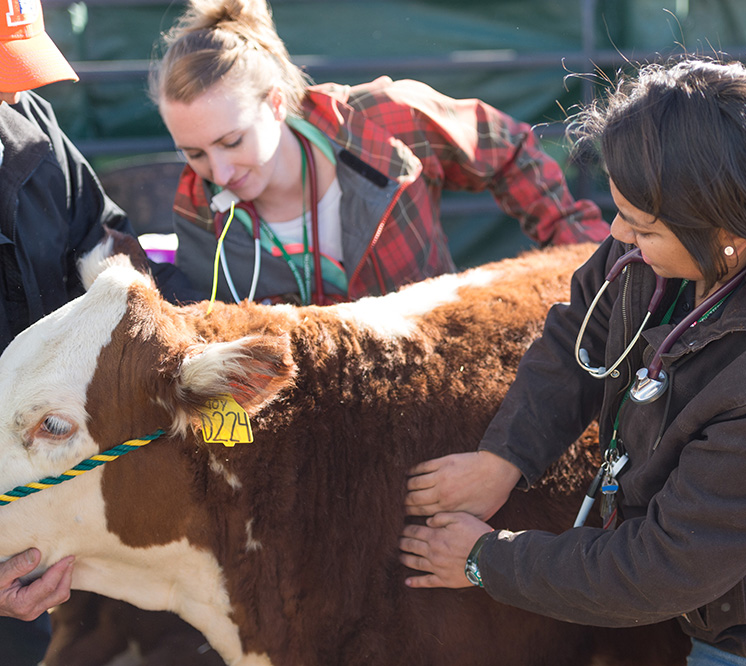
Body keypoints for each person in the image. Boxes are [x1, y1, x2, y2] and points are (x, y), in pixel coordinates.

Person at [399, 57, 746, 666]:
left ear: (724, 228)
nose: (620, 234)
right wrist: (506, 456)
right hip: (721, 588)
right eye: (622, 210)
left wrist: (483, 559)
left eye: (642, 226)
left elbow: (661, 568)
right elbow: (588, 324)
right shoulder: (689, 210)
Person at [149, 0, 609, 306]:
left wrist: (590, 265)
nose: (220, 171)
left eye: (232, 141)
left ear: (274, 103)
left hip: (437, 380)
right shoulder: (197, 208)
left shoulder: (389, 120)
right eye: (194, 153)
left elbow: (508, 152)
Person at [0, 1, 193, 662]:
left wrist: (163, 337)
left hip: (47, 475)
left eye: (13, 73)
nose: (11, 92)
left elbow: (102, 241)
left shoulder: (28, 125)